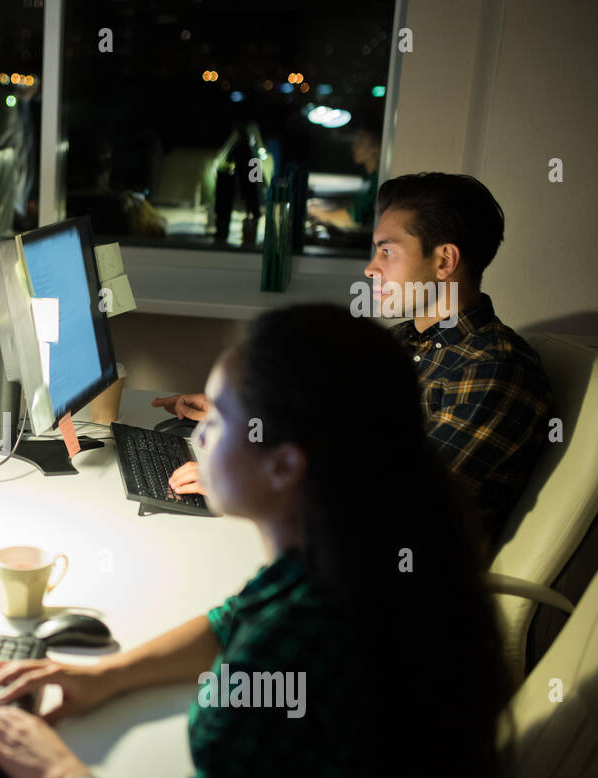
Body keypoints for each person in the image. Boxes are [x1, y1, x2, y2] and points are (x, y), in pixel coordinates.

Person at [0, 305, 514, 778]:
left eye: (219, 420)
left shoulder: (300, 636)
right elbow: (229, 621)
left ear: (283, 467)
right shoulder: (355, 553)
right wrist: (106, 674)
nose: (199, 433)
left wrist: (60, 775)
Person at [160, 173, 551, 554]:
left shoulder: (494, 368)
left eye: (387, 251)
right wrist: (241, 417)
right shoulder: (403, 340)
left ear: (445, 260)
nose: (371, 268)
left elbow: (401, 503)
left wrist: (249, 484)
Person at [307, 128, 381, 230]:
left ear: (375, 147)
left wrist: (318, 213)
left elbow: (354, 218)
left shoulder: (377, 180)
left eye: (361, 141)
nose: (354, 147)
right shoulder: (367, 179)